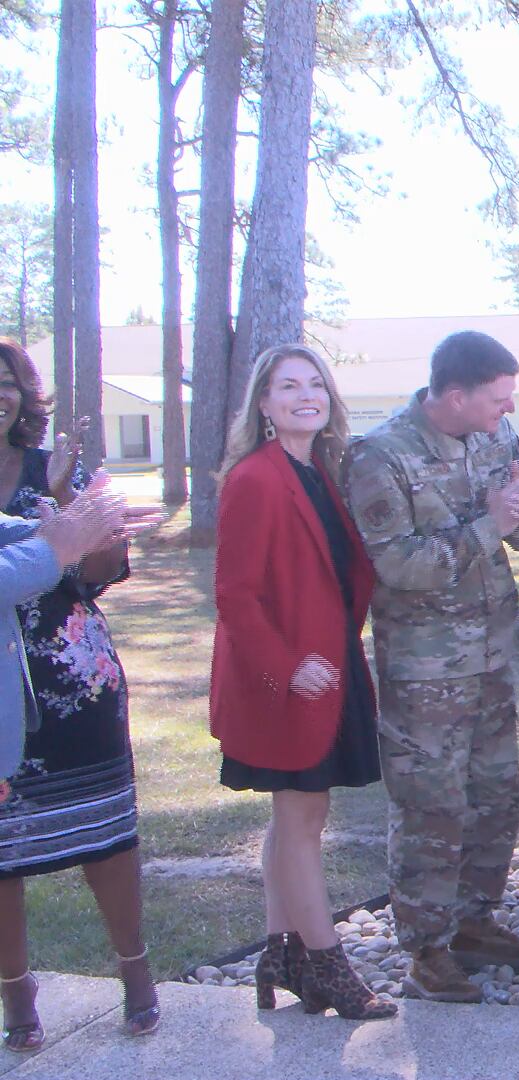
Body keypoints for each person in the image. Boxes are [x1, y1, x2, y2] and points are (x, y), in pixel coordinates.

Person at [344, 331, 519, 1003]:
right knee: (434, 809)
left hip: (490, 653)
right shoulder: (381, 456)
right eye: (497, 399)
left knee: (497, 798)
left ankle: (474, 923)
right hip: (425, 670)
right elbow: (400, 566)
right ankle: (427, 952)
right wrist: (490, 522)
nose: (507, 409)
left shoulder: (496, 437)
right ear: (454, 396)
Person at [210, 344, 396, 1021]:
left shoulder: (319, 470)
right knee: (301, 820)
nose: (304, 395)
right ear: (263, 404)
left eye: (315, 383)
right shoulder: (255, 479)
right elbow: (234, 594)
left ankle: (279, 952)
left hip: (330, 668)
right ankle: (326, 966)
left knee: (294, 818)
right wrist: (288, 665)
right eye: (288, 386)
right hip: (283, 682)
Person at [0, 339, 160, 1049]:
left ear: (23, 395)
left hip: (76, 682)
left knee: (106, 833)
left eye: (6, 383)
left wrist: (65, 495)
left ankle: (136, 974)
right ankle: (17, 996)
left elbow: (109, 563)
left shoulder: (51, 469)